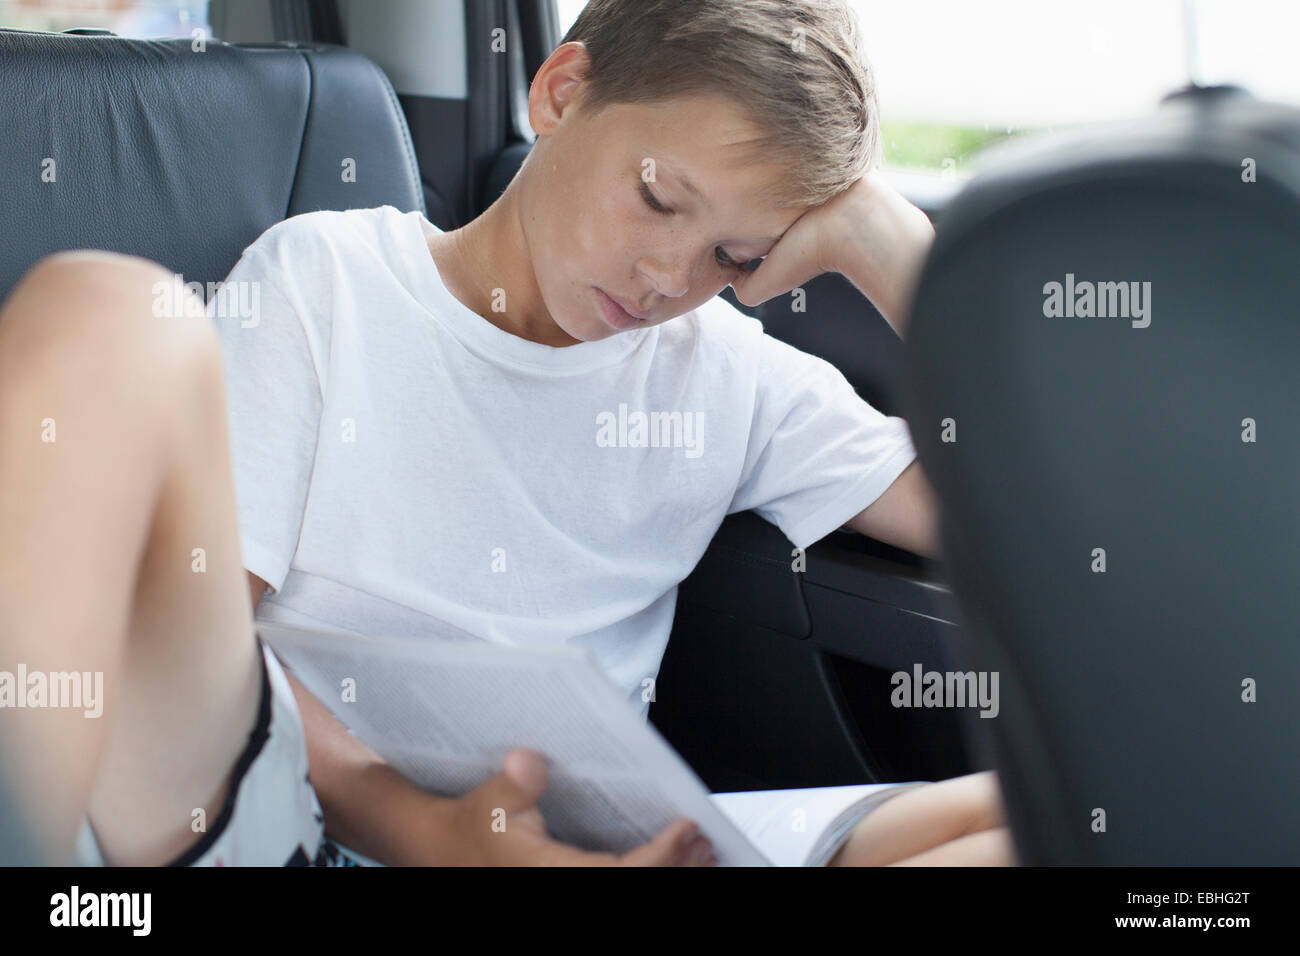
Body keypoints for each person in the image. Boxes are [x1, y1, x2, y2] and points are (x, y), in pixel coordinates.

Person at [0, 0, 1014, 866]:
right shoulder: (331, 284)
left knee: (1070, 813)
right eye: (658, 198)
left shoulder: (727, 376)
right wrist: (434, 833)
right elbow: (223, 638)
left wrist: (888, 244)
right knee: (105, 309)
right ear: (561, 93)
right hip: (292, 812)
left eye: (731, 254)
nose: (670, 276)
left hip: (590, 844)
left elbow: (1013, 515)